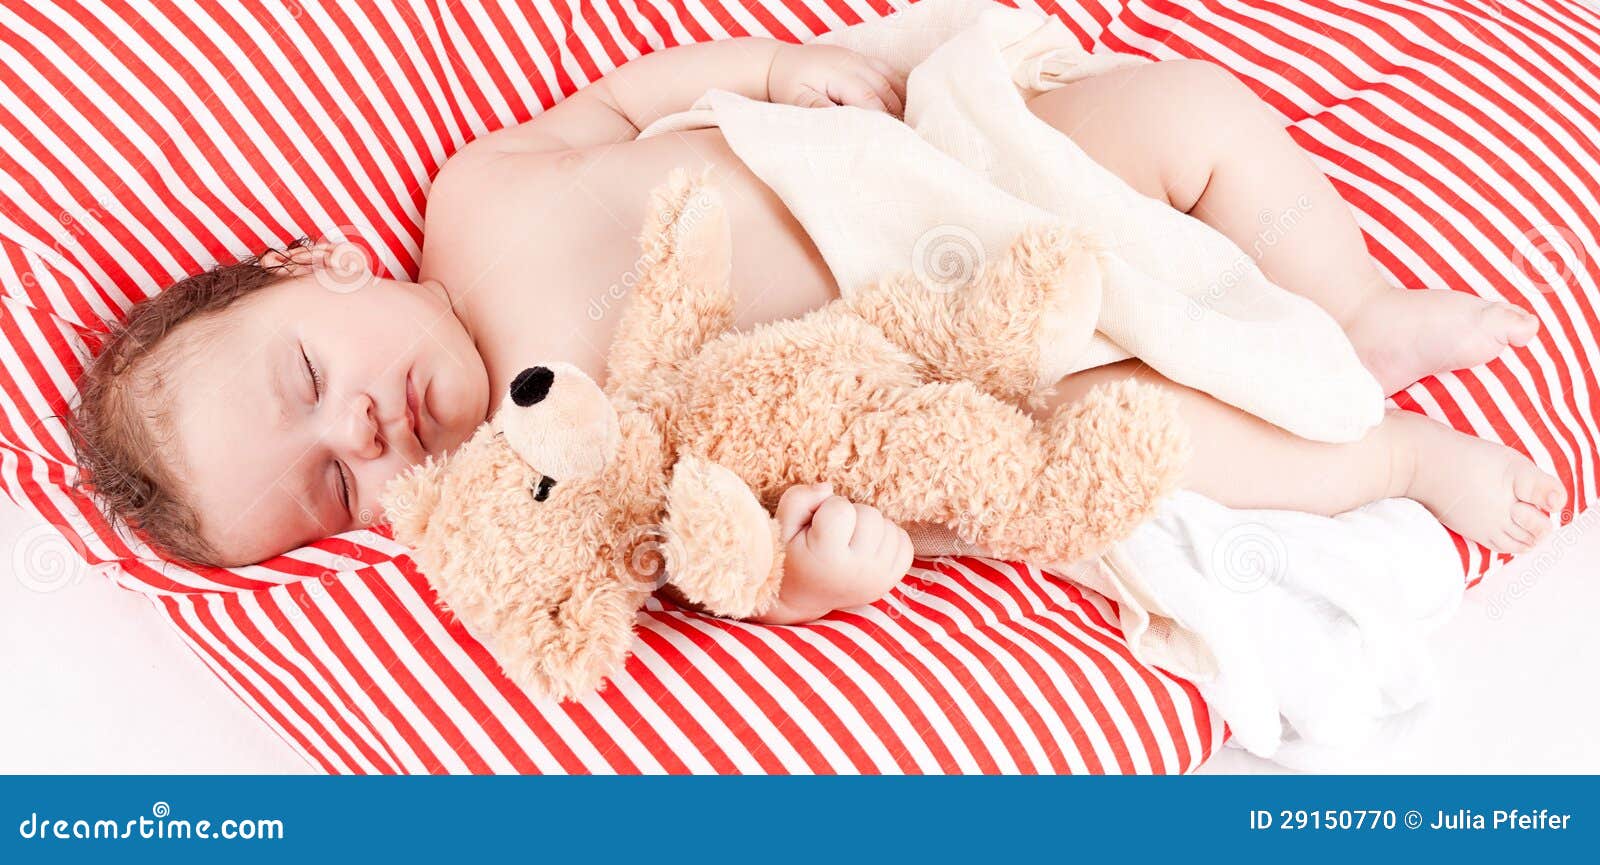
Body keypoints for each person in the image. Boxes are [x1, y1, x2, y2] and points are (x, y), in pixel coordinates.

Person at [68, 37, 1563, 624]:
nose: (365, 429)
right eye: (332, 481)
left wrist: (793, 69)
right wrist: (815, 578)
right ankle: (1399, 459)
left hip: (968, 166)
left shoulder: (476, 198)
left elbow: (645, 96)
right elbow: (707, 554)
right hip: (957, 361)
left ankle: (1356, 306)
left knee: (1193, 112)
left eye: (308, 378)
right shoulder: (540, 486)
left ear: (320, 262)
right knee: (1152, 444)